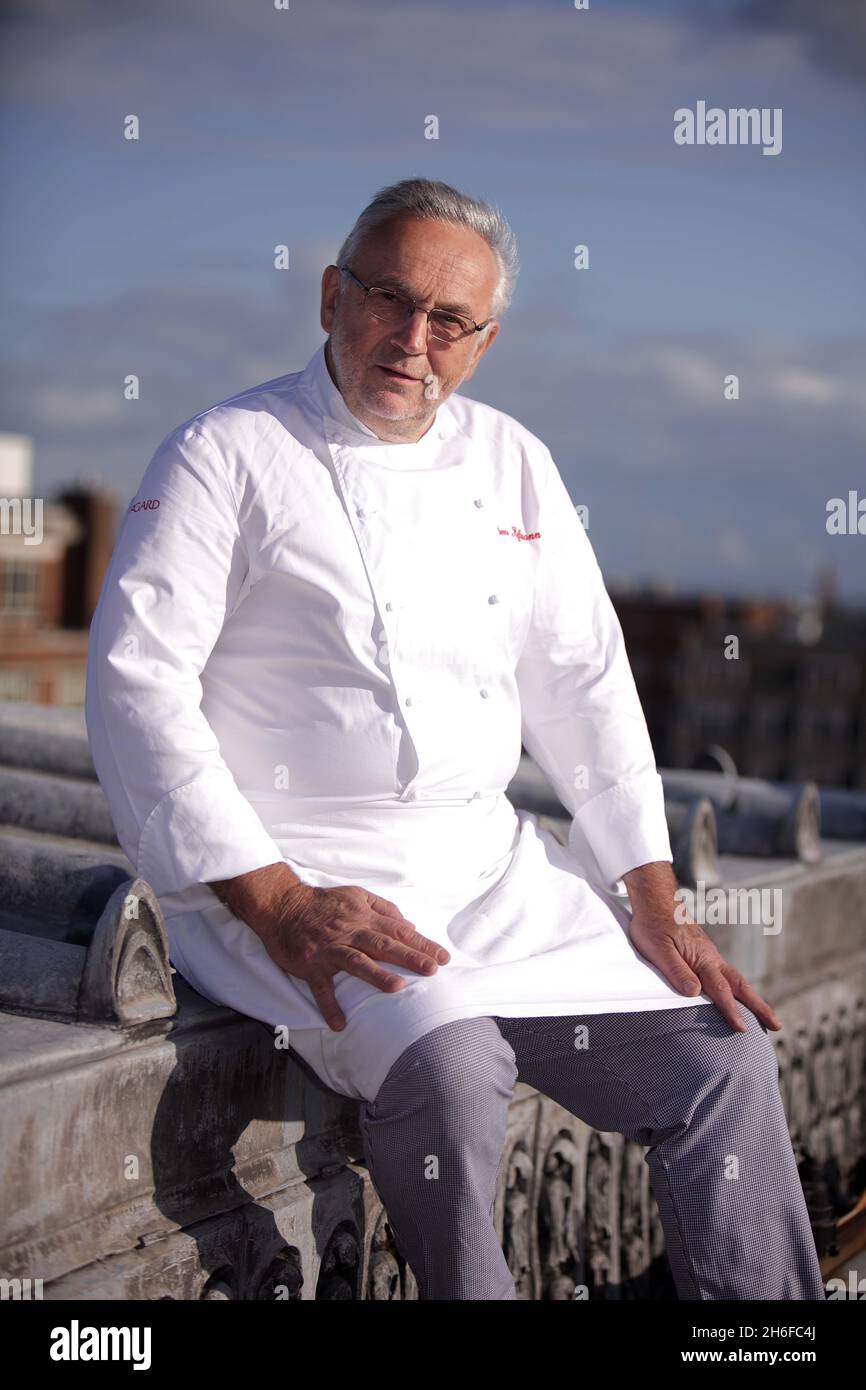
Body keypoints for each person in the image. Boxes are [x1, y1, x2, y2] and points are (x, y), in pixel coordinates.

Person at [85, 176, 826, 1301]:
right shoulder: (225, 451)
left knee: (722, 1053)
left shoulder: (511, 461)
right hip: (297, 873)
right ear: (333, 296)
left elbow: (581, 679)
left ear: (483, 343)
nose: (413, 338)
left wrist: (653, 897)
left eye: (451, 322)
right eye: (389, 298)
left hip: (491, 872)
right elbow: (136, 681)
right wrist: (278, 901)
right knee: (452, 1062)